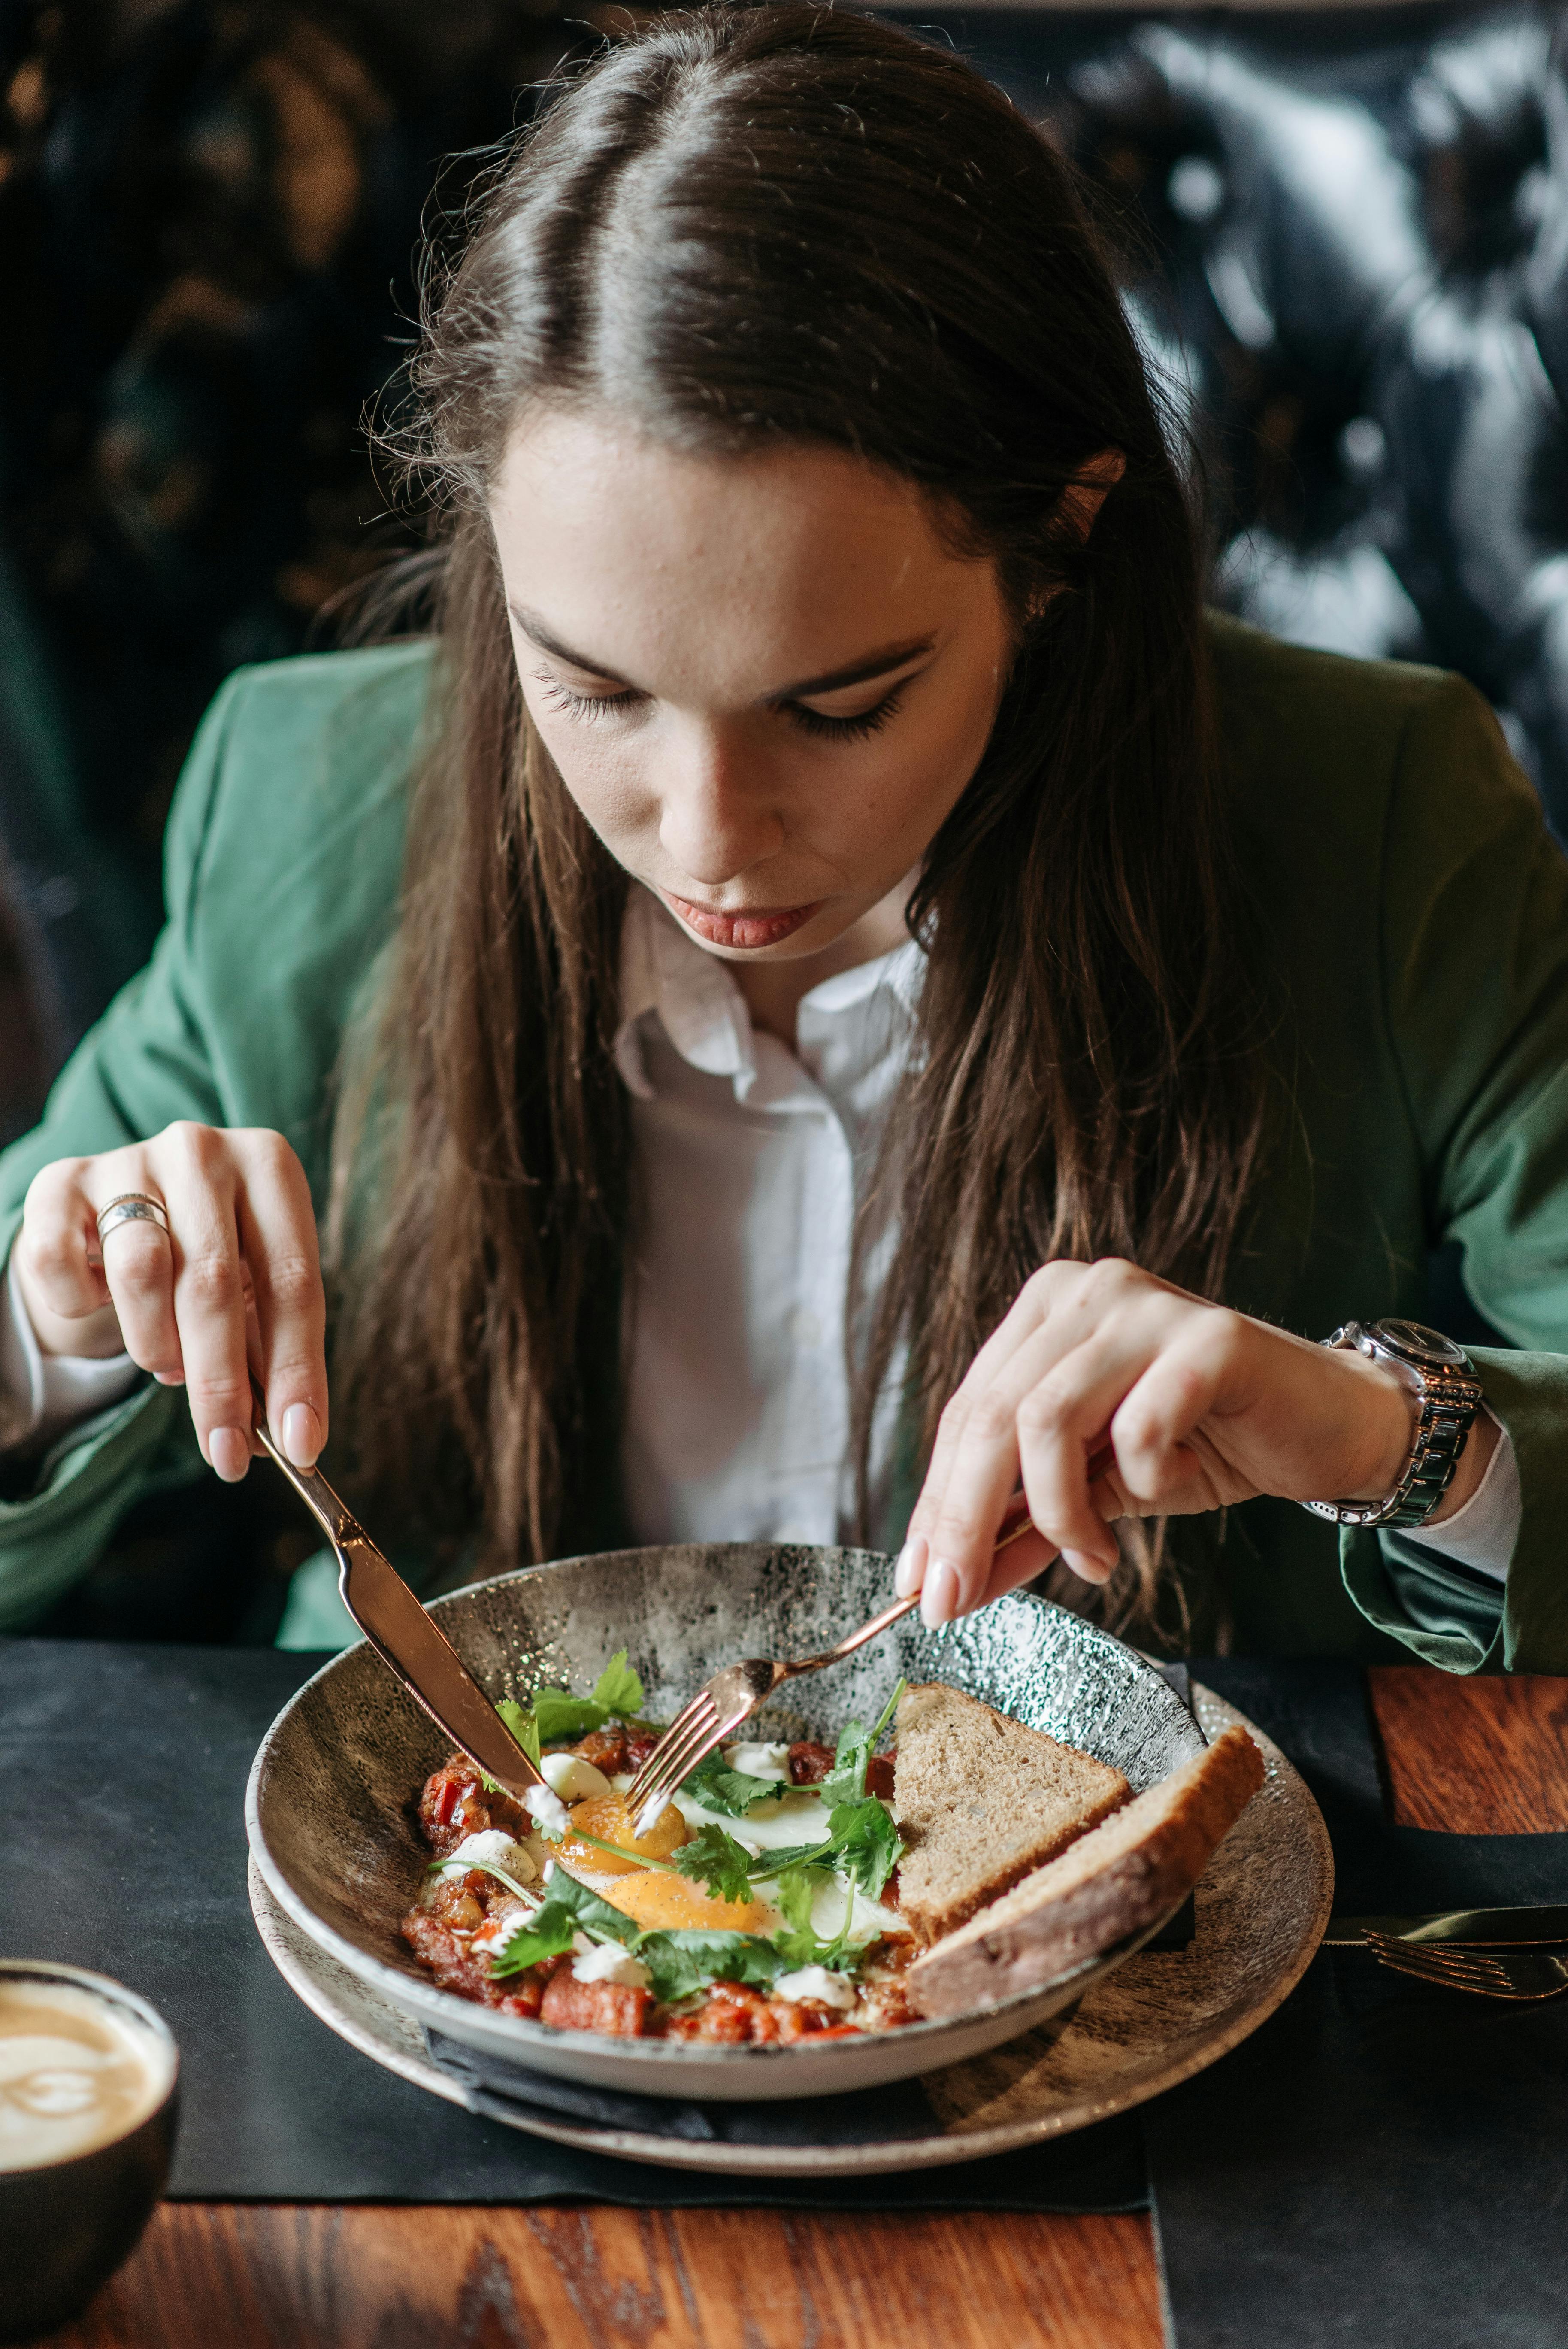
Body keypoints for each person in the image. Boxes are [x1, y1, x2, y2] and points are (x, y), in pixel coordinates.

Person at [1, 4, 1565, 1672]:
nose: (708, 838)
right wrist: (59, 1323)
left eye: (835, 709)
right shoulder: (306, 801)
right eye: (592, 690)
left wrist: (1382, 1431)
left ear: (1056, 539)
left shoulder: (1382, 811)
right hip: (455, 1870)